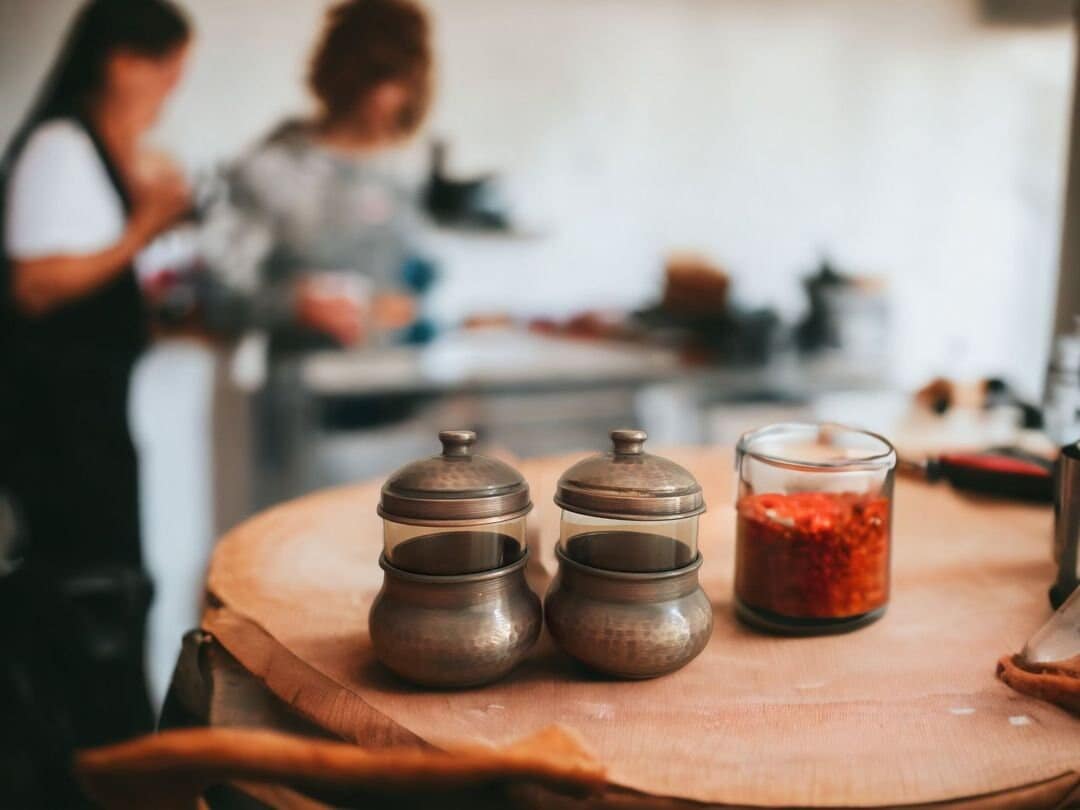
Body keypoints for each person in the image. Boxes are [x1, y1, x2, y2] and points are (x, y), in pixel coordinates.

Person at [0, 1, 192, 804]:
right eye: (167, 71)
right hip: (57, 431)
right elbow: (37, 284)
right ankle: (91, 771)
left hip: (84, 423)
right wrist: (146, 223)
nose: (171, 91)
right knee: (91, 602)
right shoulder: (57, 148)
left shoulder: (93, 149)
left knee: (113, 590)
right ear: (121, 61)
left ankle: (106, 763)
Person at [201, 0, 436, 505]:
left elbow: (414, 275)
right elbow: (218, 294)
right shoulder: (273, 169)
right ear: (342, 79)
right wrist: (294, 302)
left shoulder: (406, 168)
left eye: (400, 84)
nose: (385, 102)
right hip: (303, 416)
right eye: (376, 82)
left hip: (396, 406)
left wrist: (408, 302)